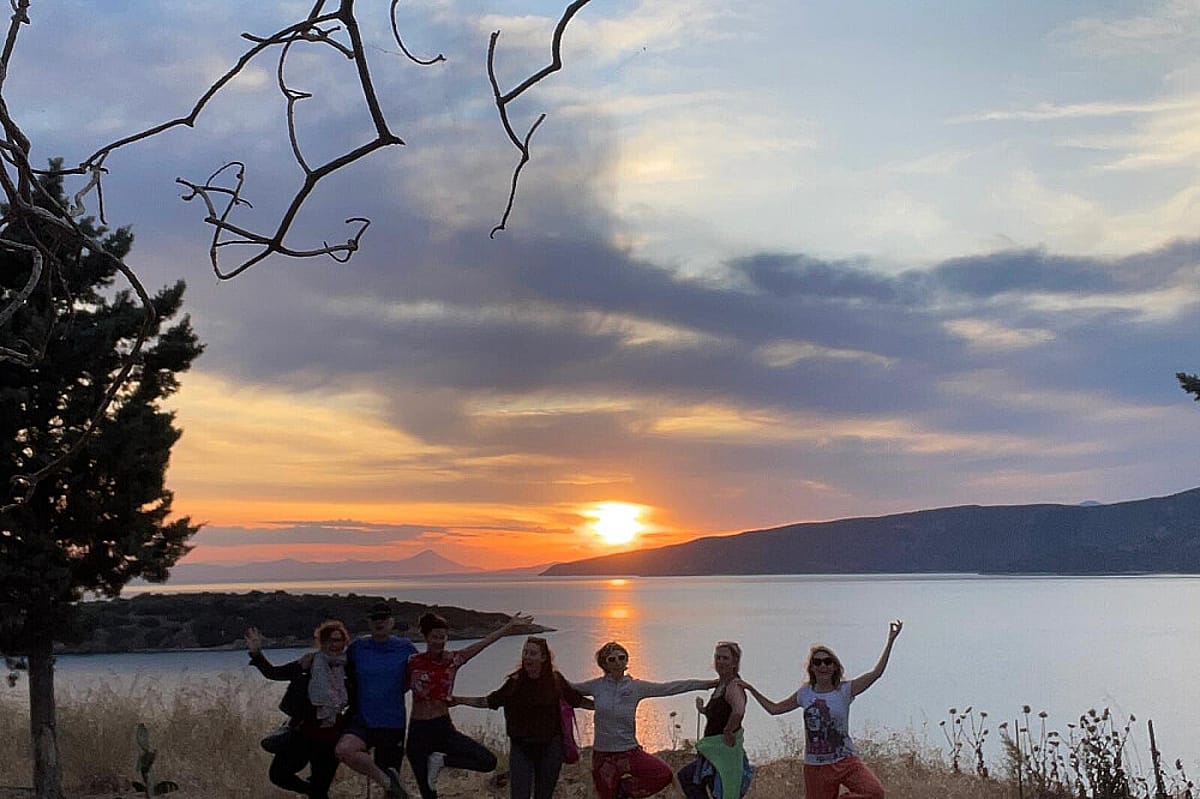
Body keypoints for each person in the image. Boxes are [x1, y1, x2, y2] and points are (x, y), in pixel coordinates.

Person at [741, 620, 903, 799]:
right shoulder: (805, 693)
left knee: (874, 792)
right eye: (817, 663)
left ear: (834, 666)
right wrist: (750, 689)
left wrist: (890, 641)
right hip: (816, 767)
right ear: (812, 668)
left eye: (827, 662)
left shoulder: (844, 690)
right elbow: (775, 709)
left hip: (846, 760)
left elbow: (875, 674)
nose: (823, 666)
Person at [404, 610, 533, 798]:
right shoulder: (412, 662)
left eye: (442, 637)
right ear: (425, 637)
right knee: (427, 793)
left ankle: (441, 760)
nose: (439, 641)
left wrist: (508, 627)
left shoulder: (453, 660)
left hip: (442, 728)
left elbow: (483, 644)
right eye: (434, 637)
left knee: (487, 761)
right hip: (418, 731)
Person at [451, 636, 592, 799]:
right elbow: (489, 701)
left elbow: (577, 700)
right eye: (525, 652)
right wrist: (459, 700)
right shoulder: (514, 682)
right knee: (519, 795)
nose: (527, 657)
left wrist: (606, 707)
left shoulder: (555, 680)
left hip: (551, 748)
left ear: (543, 658)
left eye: (532, 653)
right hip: (521, 748)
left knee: (544, 795)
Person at [572, 641, 717, 799]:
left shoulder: (635, 687)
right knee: (606, 795)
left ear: (627, 660)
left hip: (629, 751)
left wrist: (707, 684)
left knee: (663, 774)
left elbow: (670, 687)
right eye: (611, 659)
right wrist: (551, 672)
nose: (618, 662)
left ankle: (623, 792)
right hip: (603, 754)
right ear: (604, 664)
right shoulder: (596, 686)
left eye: (621, 657)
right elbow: (567, 688)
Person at [245, 620, 351, 799]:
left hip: (330, 736)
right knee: (278, 775)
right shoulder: (308, 663)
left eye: (339, 640)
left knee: (320, 789)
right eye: (329, 640)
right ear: (321, 642)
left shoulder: (349, 668)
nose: (334, 645)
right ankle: (311, 790)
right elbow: (274, 673)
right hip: (302, 733)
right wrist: (256, 653)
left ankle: (316, 792)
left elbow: (358, 698)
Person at [335, 602, 418, 798]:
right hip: (362, 719)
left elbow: (419, 676)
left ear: (391, 622)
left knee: (392, 795)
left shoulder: (405, 648)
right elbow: (335, 667)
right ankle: (388, 782)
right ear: (369, 622)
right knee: (344, 750)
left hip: (392, 722)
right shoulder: (357, 647)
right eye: (375, 619)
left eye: (383, 618)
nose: (379, 622)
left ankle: (391, 786)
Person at [677, 641, 752, 799]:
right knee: (689, 779)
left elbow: (738, 710)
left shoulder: (733, 686)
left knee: (717, 789)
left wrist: (728, 730)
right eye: (718, 657)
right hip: (714, 752)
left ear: (734, 662)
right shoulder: (721, 684)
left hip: (723, 753)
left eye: (725, 658)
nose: (720, 661)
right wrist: (702, 709)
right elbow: (720, 716)